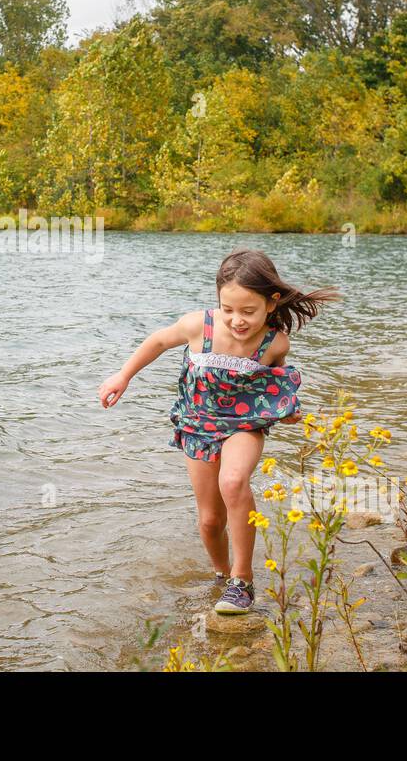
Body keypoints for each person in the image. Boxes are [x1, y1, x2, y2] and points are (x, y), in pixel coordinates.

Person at [98, 249, 338, 614]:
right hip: (198, 425)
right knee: (211, 520)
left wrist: (288, 409)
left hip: (244, 425)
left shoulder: (274, 342)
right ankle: (222, 576)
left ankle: (242, 581)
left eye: (248, 311)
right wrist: (123, 376)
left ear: (272, 303)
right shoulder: (199, 326)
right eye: (228, 309)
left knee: (233, 481)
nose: (237, 320)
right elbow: (158, 341)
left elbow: (275, 382)